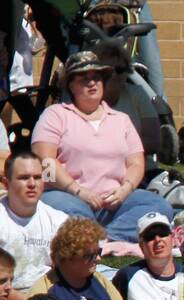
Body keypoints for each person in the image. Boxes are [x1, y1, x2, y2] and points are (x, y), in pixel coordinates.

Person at [30, 52, 173, 242]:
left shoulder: (121, 119)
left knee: (159, 206)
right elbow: (45, 162)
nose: (92, 83)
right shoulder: (55, 115)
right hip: (68, 197)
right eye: (84, 79)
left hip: (115, 203)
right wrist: (77, 190)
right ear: (71, 85)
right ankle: (95, 234)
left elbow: (136, 163)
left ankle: (104, 237)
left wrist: (125, 190)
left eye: (96, 78)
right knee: (56, 207)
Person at [0, 151, 69, 300]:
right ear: (6, 183)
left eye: (37, 177)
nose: (32, 184)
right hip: (7, 296)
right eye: (24, 178)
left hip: (50, 292)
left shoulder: (58, 221)